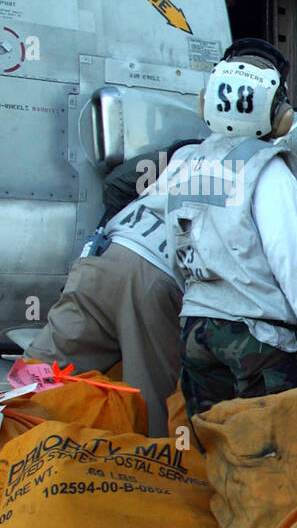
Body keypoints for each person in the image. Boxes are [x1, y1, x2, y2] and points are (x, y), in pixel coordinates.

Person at [165, 38, 297, 419]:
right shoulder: (268, 169)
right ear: (276, 111)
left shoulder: (186, 162)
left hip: (196, 332)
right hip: (256, 340)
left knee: (216, 445)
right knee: (273, 448)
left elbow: (175, 249)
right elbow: (294, 260)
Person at [25, 148, 190, 436]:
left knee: (36, 378)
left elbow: (117, 183)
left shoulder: (188, 149)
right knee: (150, 408)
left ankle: (5, 453)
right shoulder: (269, 173)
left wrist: (119, 227)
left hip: (102, 258)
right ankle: (146, 476)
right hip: (155, 277)